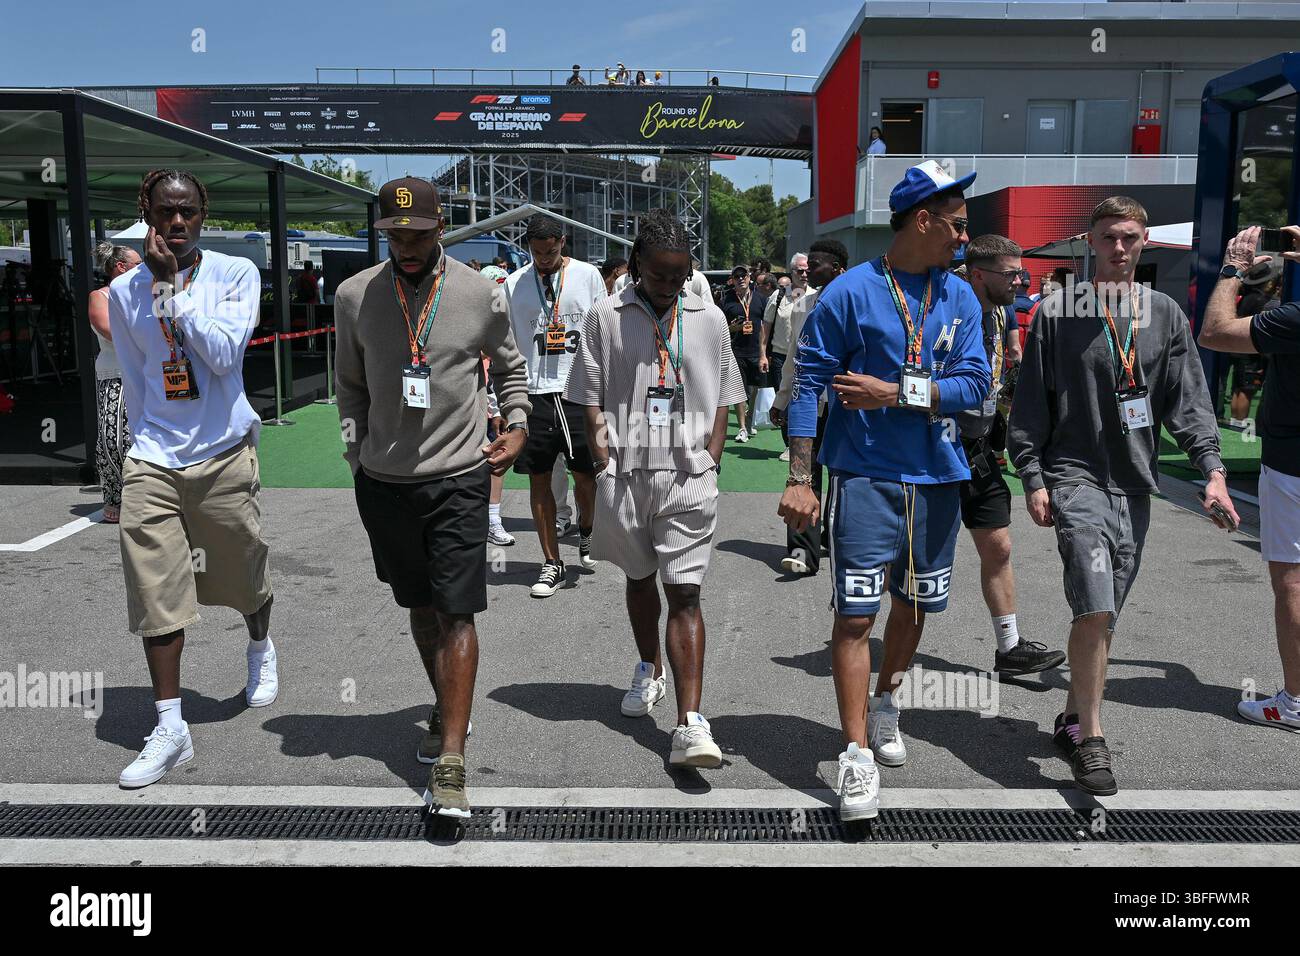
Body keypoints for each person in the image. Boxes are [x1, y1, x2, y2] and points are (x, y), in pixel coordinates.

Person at [778, 160, 990, 821]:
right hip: (865, 479)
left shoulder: (961, 297)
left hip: (937, 482)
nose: (966, 236)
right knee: (854, 615)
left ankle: (886, 701)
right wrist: (799, 477)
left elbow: (976, 387)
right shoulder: (848, 293)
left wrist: (897, 392)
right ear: (922, 221)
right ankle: (855, 756)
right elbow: (810, 384)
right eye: (957, 224)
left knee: (916, 606)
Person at [1009, 195, 1238, 796]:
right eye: (1109, 237)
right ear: (1091, 241)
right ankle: (1093, 739)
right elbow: (1030, 406)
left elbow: (1188, 401)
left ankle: (1069, 716)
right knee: (1096, 606)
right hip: (1075, 478)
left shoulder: (1164, 314)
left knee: (1104, 616)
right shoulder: (1059, 314)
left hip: (1135, 486)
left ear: (1143, 244)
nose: (1119, 248)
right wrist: (1034, 477)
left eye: (1130, 238)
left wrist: (1211, 470)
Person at [334, 177, 531, 818]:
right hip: (386, 485)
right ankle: (451, 709)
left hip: (458, 478)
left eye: (417, 233)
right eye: (395, 235)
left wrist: (518, 422)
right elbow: (349, 386)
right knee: (420, 609)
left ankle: (451, 761)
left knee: (457, 612)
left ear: (440, 225)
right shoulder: (354, 296)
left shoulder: (479, 292)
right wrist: (357, 452)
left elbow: (509, 367)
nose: (406, 246)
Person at [108, 169, 276, 788]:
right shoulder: (125, 292)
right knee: (155, 588)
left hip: (224, 451)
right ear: (146, 211)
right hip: (153, 456)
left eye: (188, 213)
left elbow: (224, 355)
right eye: (164, 212)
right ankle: (171, 725)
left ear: (204, 215)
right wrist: (137, 444)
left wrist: (169, 289)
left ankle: (259, 643)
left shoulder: (235, 274)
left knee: (241, 571)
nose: (176, 223)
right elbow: (135, 372)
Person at [565, 208, 746, 768]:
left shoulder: (709, 318)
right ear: (637, 262)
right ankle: (649, 667)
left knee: (685, 592)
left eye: (679, 274)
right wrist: (602, 460)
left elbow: (722, 391)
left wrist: (712, 456)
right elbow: (586, 393)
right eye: (659, 274)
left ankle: (691, 724)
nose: (669, 285)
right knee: (641, 578)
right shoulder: (605, 316)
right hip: (626, 471)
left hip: (689, 474)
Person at [1198, 223, 1300, 733]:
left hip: (1293, 465)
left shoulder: (1295, 318)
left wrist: (1233, 270)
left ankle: (1296, 701)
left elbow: (1214, 330)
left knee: (1293, 583)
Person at [956, 235, 1064, 678]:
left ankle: (1010, 648)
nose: (1020, 280)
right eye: (1011, 273)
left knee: (998, 545)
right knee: (914, 561)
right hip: (932, 449)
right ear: (978, 273)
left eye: (1022, 273)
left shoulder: (1001, 311)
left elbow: (1001, 374)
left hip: (980, 446)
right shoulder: (945, 308)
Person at [503, 215, 607, 597]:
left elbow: (602, 329)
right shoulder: (513, 284)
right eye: (537, 252)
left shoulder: (588, 275)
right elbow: (509, 344)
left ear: (563, 242)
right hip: (534, 394)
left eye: (552, 251)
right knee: (539, 479)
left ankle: (587, 530)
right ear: (527, 247)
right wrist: (504, 401)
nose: (545, 258)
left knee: (586, 476)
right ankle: (551, 563)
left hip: (578, 390)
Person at [769, 240, 847, 576]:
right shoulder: (803, 307)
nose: (807, 270)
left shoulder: (857, 304)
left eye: (815, 264)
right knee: (805, 477)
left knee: (843, 480)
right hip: (808, 406)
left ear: (838, 268)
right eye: (806, 265)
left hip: (847, 408)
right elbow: (793, 360)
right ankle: (802, 550)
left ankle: (839, 541)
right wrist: (781, 399)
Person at [88, 241, 142, 523]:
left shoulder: (145, 294)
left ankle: (149, 496)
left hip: (147, 376)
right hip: (115, 376)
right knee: (115, 439)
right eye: (138, 264)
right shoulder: (101, 296)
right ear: (121, 267)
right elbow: (110, 332)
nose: (144, 268)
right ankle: (116, 497)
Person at [762, 252, 809, 462]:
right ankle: (789, 445)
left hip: (806, 356)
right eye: (800, 270)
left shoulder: (816, 295)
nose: (805, 274)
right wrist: (762, 354)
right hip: (781, 356)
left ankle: (803, 443)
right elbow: (766, 326)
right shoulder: (779, 296)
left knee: (803, 401)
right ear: (792, 272)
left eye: (808, 270)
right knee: (784, 399)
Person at [1224, 257, 1282, 425]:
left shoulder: (1245, 298)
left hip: (1238, 349)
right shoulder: (1261, 301)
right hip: (1252, 350)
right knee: (1247, 390)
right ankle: (1241, 424)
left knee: (1238, 387)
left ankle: (1235, 422)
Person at [721, 265, 767, 442]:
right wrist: (736, 327)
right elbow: (723, 327)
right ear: (732, 279)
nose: (741, 279)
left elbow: (765, 326)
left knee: (754, 390)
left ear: (749, 278)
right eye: (736, 276)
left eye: (743, 275)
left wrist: (764, 353)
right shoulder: (727, 300)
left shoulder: (760, 299)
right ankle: (742, 427)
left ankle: (749, 420)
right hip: (736, 350)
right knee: (739, 390)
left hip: (756, 350)